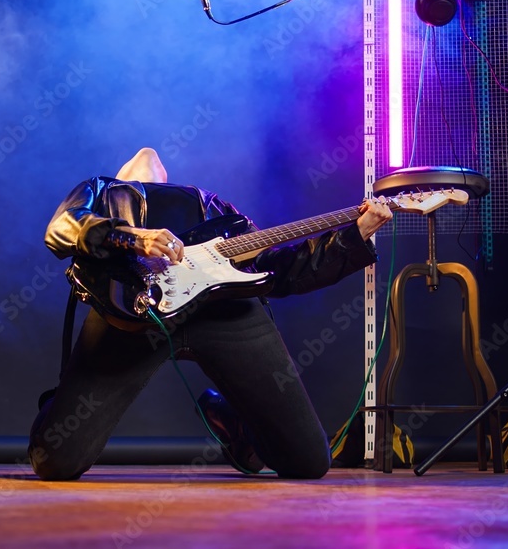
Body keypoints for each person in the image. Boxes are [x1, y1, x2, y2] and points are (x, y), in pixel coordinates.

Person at [28, 147, 392, 480]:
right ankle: (59, 406)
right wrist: (133, 237)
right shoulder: (102, 190)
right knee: (56, 461)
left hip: (226, 314)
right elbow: (61, 228)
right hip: (133, 317)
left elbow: (279, 269)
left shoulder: (215, 208)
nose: (148, 156)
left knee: (309, 462)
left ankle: (239, 427)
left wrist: (355, 235)